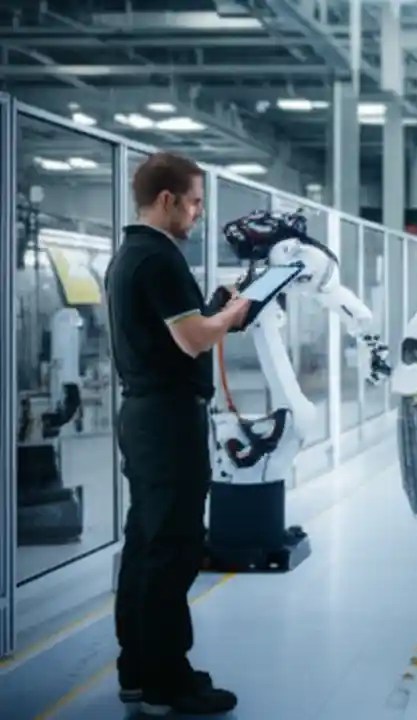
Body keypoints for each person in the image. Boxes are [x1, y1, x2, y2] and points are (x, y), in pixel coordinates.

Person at [105, 151, 250, 716]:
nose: (196, 215)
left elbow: (173, 329)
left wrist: (212, 309)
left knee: (146, 544)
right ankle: (170, 681)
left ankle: (138, 672)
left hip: (145, 416)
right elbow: (193, 340)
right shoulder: (159, 258)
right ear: (166, 200)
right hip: (167, 421)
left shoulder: (130, 256)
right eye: (192, 204)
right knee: (174, 549)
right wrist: (232, 315)